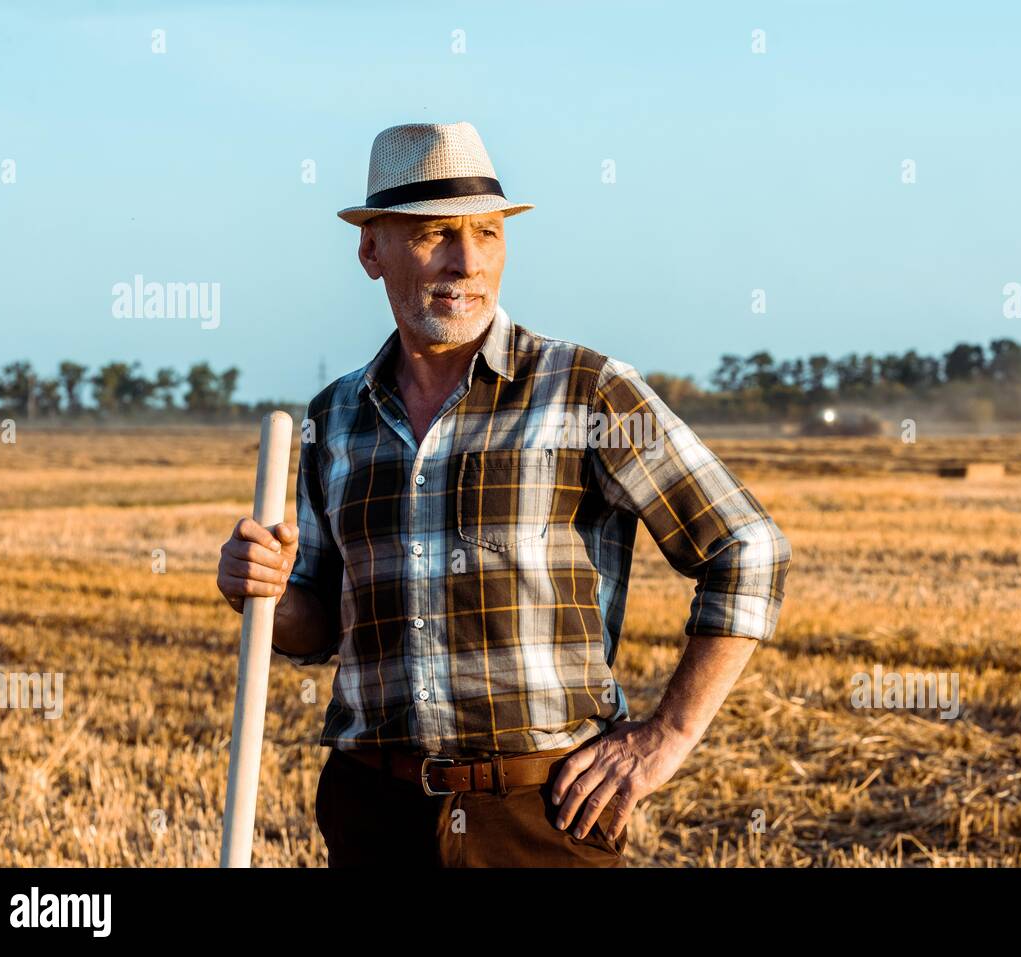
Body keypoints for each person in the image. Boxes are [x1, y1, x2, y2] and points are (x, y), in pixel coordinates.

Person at [215, 121, 792, 867]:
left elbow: (748, 546)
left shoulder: (586, 392)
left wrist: (668, 736)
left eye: (486, 232)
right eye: (432, 235)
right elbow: (318, 625)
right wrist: (262, 593)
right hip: (374, 815)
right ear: (371, 251)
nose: (465, 261)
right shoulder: (336, 416)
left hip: (542, 817)